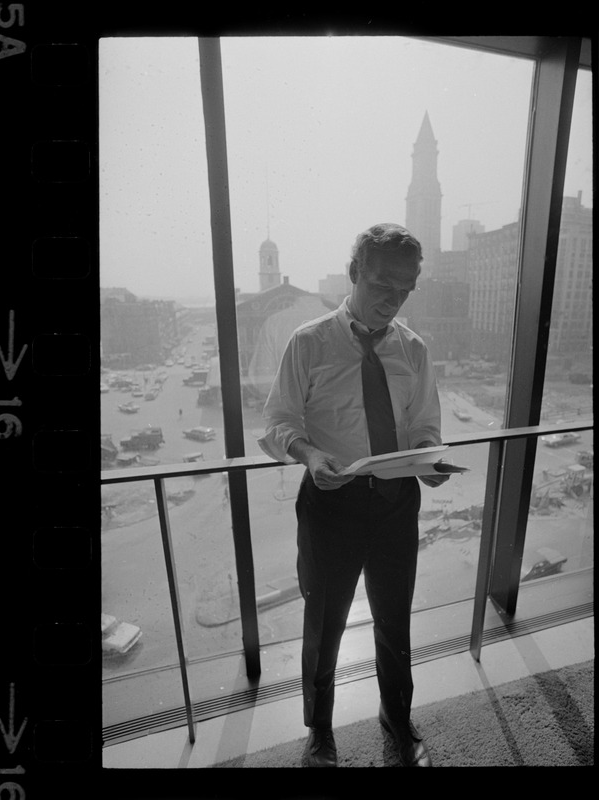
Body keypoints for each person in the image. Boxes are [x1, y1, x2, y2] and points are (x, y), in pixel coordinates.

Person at [258, 223, 450, 768]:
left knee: (395, 618)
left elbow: (424, 424)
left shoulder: (414, 349)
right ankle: (320, 731)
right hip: (331, 503)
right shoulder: (310, 341)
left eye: (405, 289)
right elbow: (277, 421)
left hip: (395, 503)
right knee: (325, 621)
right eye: (382, 285)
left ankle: (396, 719)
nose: (393, 301)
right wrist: (309, 455)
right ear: (353, 274)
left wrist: (429, 458)